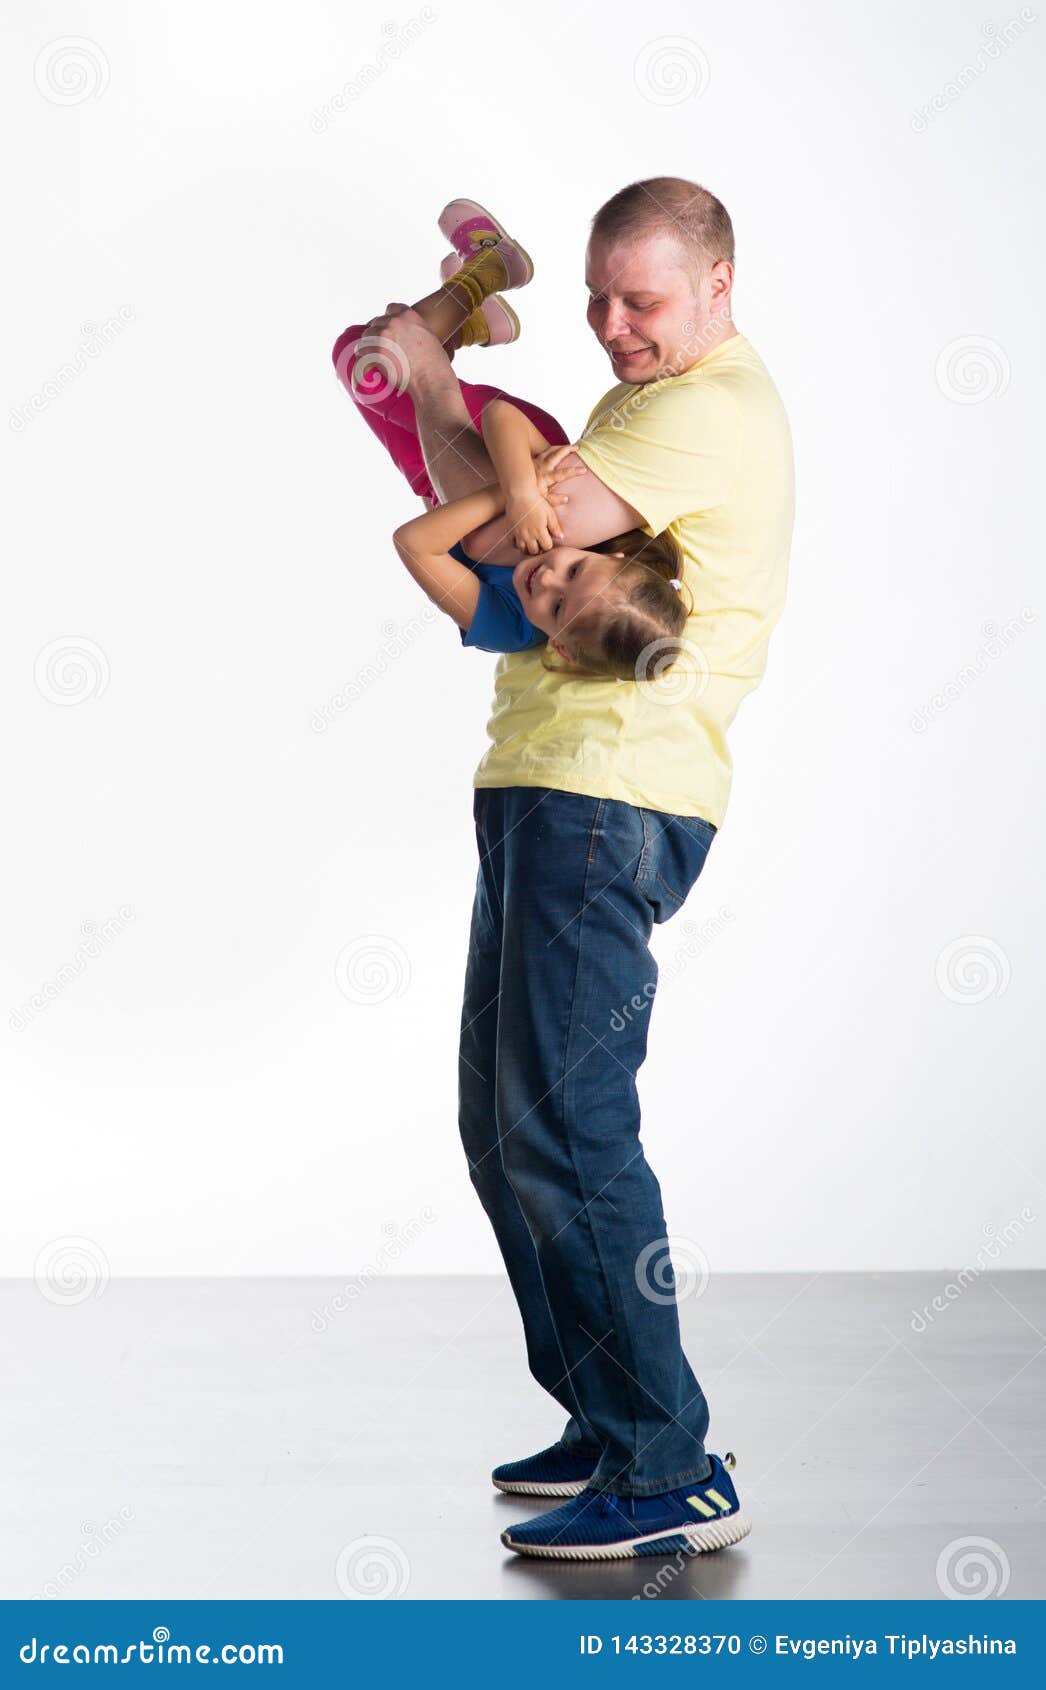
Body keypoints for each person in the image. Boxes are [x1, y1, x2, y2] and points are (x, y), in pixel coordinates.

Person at [331, 183, 795, 1561]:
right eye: (596, 295)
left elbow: (489, 540)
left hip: (608, 793)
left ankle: (668, 1465)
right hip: (550, 784)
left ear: (717, 285)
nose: (609, 324)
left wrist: (437, 389)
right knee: (501, 1124)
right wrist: (453, 403)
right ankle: (606, 1417)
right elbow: (506, 526)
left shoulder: (697, 413)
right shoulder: (641, 405)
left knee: (566, 1125)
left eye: (639, 299)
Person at [390, 401, 689, 672]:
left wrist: (516, 495)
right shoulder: (582, 525)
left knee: (378, 383)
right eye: (574, 571)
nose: (546, 580)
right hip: (474, 428)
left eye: (557, 607)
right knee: (382, 375)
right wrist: (523, 491)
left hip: (429, 475)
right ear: (611, 557)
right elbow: (500, 413)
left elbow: (414, 542)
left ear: (560, 647)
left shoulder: (509, 627)